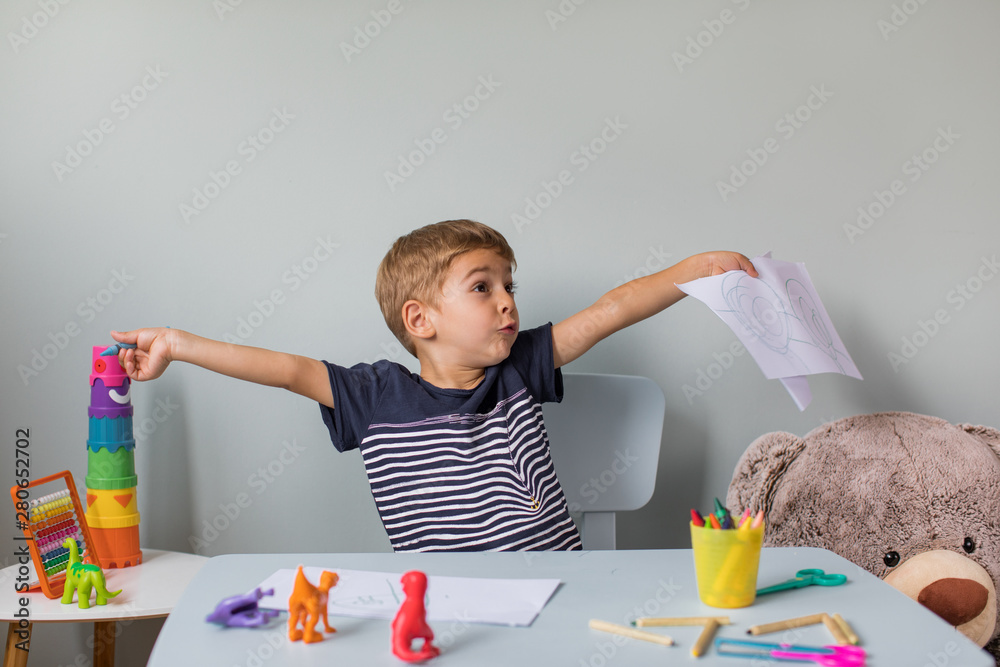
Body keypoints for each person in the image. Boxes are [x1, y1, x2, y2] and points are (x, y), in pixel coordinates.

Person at [111, 219, 756, 552]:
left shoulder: (520, 366)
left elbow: (611, 310)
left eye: (510, 285)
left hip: (561, 581)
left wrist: (697, 271)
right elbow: (283, 369)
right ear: (420, 320)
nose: (507, 301)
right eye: (483, 286)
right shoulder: (375, 396)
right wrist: (179, 345)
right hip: (444, 601)